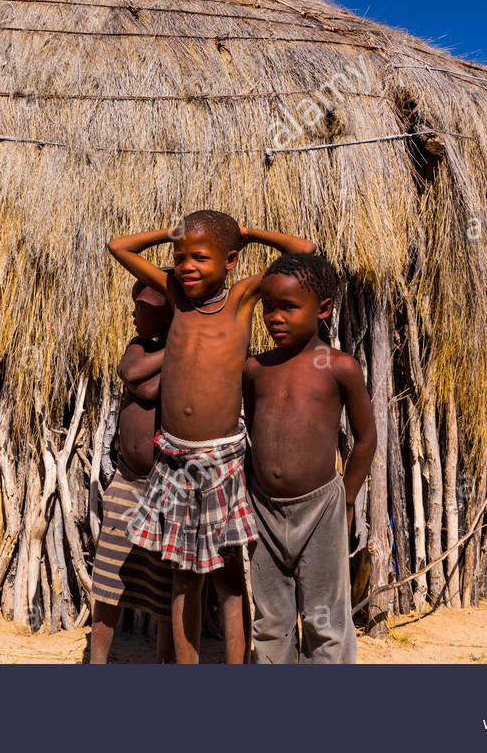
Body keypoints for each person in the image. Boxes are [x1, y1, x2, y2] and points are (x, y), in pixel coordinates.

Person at [107, 210, 316, 664]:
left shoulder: (241, 299)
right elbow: (118, 246)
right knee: (184, 574)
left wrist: (250, 231)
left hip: (220, 461)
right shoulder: (176, 297)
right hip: (175, 461)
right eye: (179, 256)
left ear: (232, 261)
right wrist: (171, 232)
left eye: (200, 257)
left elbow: (304, 252)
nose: (187, 266)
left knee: (227, 576)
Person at [243, 252, 377, 663]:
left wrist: (348, 498)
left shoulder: (339, 367)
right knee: (270, 619)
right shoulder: (255, 369)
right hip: (262, 508)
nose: (275, 317)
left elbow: (366, 437)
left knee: (325, 618)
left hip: (321, 508)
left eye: (288, 307)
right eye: (268, 307)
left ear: (322, 309)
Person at [90, 279, 175, 663]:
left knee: (164, 585)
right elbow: (136, 379)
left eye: (139, 307)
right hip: (128, 481)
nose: (132, 314)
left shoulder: (191, 359)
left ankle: (162, 662)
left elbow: (154, 388)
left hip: (167, 486)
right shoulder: (141, 346)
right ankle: (98, 661)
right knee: (107, 580)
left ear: (165, 310)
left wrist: (178, 351)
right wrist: (177, 347)